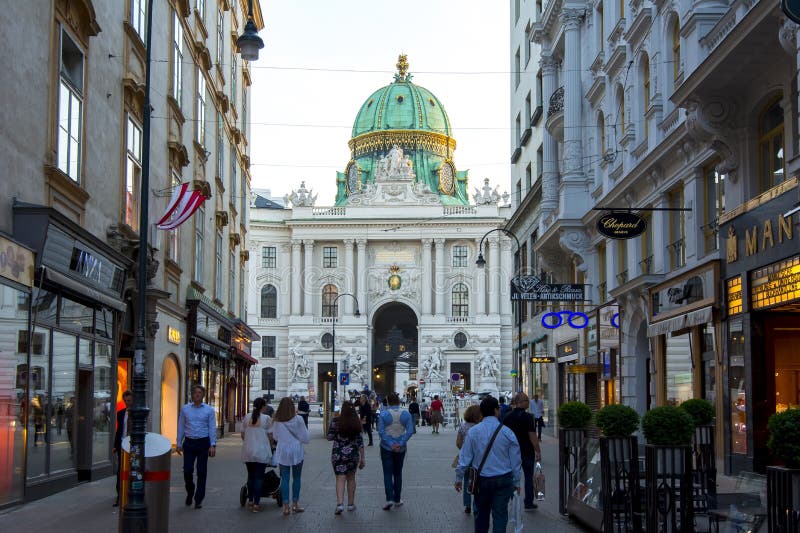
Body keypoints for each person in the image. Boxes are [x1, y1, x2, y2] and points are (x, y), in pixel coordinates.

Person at [455, 396, 522, 533]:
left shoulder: (473, 432)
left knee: (481, 515)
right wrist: (516, 481)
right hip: (503, 479)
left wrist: (458, 478)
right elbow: (515, 460)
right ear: (497, 411)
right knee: (500, 515)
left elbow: (464, 457)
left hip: (481, 480)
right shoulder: (507, 432)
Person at [177, 385, 217, 509]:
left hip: (203, 443)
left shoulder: (209, 410)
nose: (197, 394)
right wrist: (178, 443)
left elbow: (212, 428)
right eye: (195, 392)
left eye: (200, 393)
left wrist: (212, 444)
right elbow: (181, 426)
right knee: (187, 470)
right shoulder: (185, 409)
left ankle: (198, 498)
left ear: (203, 395)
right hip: (189, 443)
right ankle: (190, 490)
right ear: (192, 395)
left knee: (202, 472)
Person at [504, 392, 542, 511]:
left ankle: (509, 499)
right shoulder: (528, 417)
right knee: (528, 476)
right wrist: (538, 451)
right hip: (526, 451)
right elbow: (533, 437)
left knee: (510, 476)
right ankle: (528, 502)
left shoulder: (507, 417)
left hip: (511, 452)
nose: (528, 402)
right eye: (526, 400)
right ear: (520, 402)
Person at [272, 397, 310, 516]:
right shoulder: (298, 419)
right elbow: (306, 437)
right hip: (296, 450)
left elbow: (276, 437)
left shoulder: (277, 420)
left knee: (285, 478)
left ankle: (286, 507)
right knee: (297, 478)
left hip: (283, 450)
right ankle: (295, 504)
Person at [327, 401, 366, 514]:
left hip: (338, 454)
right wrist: (363, 458)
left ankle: (339, 504)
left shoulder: (336, 421)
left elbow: (329, 437)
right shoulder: (356, 422)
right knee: (351, 478)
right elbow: (360, 442)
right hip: (352, 454)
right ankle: (350, 504)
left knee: (340, 478)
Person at [377, 392, 415, 510]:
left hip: (386, 447)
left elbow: (381, 432)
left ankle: (389, 499)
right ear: (399, 401)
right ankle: (397, 499)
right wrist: (401, 443)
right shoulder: (406, 414)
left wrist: (390, 443)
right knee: (398, 473)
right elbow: (409, 431)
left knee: (387, 473)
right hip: (401, 448)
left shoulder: (383, 415)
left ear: (387, 401)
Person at [241, 397, 273, 512]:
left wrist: (248, 442)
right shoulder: (267, 418)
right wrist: (271, 446)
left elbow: (243, 434)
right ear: (263, 407)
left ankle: (250, 500)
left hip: (248, 451)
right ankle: (256, 504)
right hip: (261, 451)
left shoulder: (247, 417)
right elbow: (270, 436)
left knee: (250, 476)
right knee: (259, 477)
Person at [456, 404, 483, 514]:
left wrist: (465, 450)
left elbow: (458, 443)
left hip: (466, 458)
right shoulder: (481, 427)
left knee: (467, 480)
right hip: (479, 458)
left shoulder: (463, 426)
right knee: (478, 481)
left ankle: (467, 505)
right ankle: (477, 504)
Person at [112, 390, 133, 506]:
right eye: (125, 401)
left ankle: (131, 493)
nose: (127, 403)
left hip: (134, 447)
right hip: (122, 445)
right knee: (120, 471)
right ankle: (119, 496)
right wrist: (115, 446)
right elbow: (119, 430)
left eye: (129, 400)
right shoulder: (121, 413)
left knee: (133, 471)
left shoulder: (137, 413)